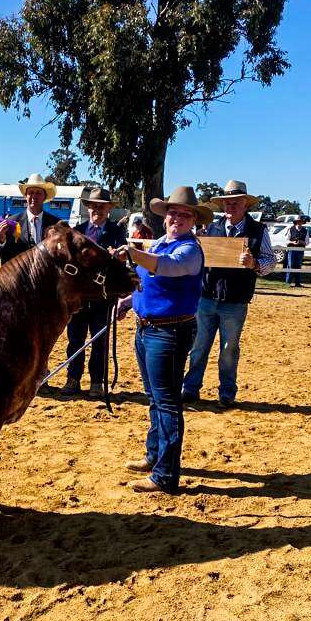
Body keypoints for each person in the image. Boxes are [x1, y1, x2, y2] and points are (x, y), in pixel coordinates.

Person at [113, 186, 212, 493]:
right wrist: (128, 302)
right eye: (173, 213)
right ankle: (155, 455)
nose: (177, 219)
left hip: (169, 331)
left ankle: (165, 475)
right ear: (165, 215)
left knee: (167, 401)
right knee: (155, 398)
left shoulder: (190, 249)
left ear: (193, 220)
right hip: (148, 328)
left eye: (184, 214)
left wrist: (132, 252)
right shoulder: (158, 243)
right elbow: (147, 282)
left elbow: (167, 268)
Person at [181, 180, 276, 408]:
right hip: (206, 297)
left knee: (228, 349)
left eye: (235, 203)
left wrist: (254, 264)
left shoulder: (258, 230)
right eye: (226, 203)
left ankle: (226, 393)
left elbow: (271, 260)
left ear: (245, 204)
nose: (230, 207)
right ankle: (190, 389)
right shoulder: (210, 230)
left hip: (235, 301)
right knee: (199, 346)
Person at [63, 187, 128, 396]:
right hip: (79, 295)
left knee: (99, 340)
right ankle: (72, 378)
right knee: (75, 338)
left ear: (109, 209)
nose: (97, 210)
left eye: (102, 206)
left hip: (103, 296)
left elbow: (123, 263)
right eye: (94, 206)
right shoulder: (77, 231)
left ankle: (97, 381)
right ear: (88, 207)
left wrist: (116, 259)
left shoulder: (117, 233)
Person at [0, 173, 60, 265]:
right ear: (25, 196)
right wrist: (2, 239)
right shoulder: (12, 222)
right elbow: (4, 256)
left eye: (38, 193)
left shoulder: (56, 224)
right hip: (21, 278)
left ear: (44, 197)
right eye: (31, 193)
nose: (34, 196)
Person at [285, 216, 308, 287]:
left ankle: (297, 283)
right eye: (298, 222)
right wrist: (292, 242)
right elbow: (286, 240)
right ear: (296, 222)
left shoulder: (305, 230)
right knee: (290, 265)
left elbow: (307, 242)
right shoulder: (291, 229)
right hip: (291, 250)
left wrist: (301, 241)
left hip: (300, 250)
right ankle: (287, 283)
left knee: (298, 266)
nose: (299, 223)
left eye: (300, 221)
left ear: (302, 222)